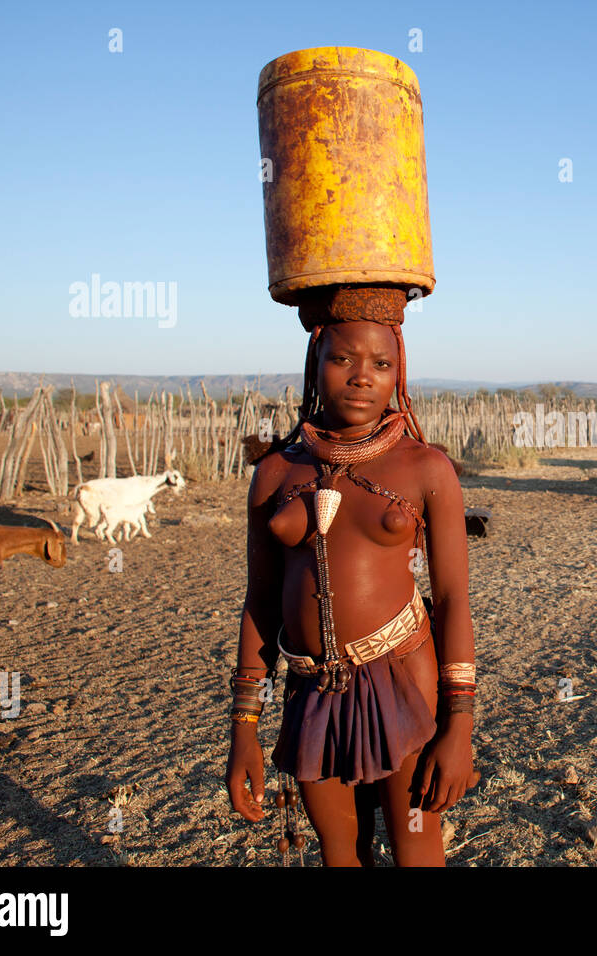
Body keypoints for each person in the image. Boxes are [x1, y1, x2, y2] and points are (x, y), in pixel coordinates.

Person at [227, 285, 478, 867]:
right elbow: (260, 603)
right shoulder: (275, 472)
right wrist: (244, 726)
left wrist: (458, 723)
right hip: (313, 689)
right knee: (340, 853)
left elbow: (452, 597)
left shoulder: (425, 468)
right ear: (315, 363)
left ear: (400, 373)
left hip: (406, 680)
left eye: (382, 363)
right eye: (343, 359)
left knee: (415, 848)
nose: (362, 376)